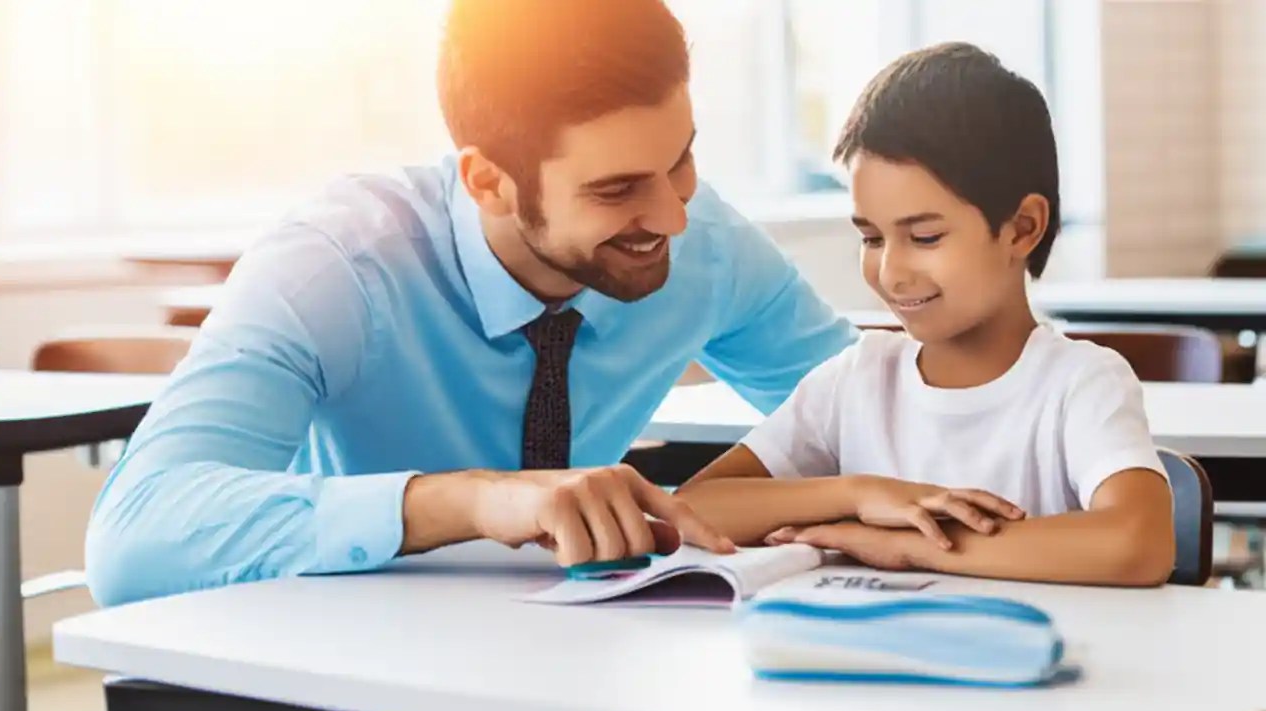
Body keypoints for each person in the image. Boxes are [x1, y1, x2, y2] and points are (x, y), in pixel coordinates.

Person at [88, 1, 1012, 606]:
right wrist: (476, 500)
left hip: (570, 649)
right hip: (325, 659)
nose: (671, 213)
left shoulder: (709, 243)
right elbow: (133, 544)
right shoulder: (335, 267)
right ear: (489, 182)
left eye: (682, 157)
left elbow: (879, 416)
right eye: (616, 191)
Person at [679, 43, 1177, 587]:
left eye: (925, 237)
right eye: (870, 237)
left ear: (1021, 228)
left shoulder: (1080, 383)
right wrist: (857, 494)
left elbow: (1138, 543)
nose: (890, 272)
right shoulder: (856, 379)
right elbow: (694, 508)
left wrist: (910, 546)